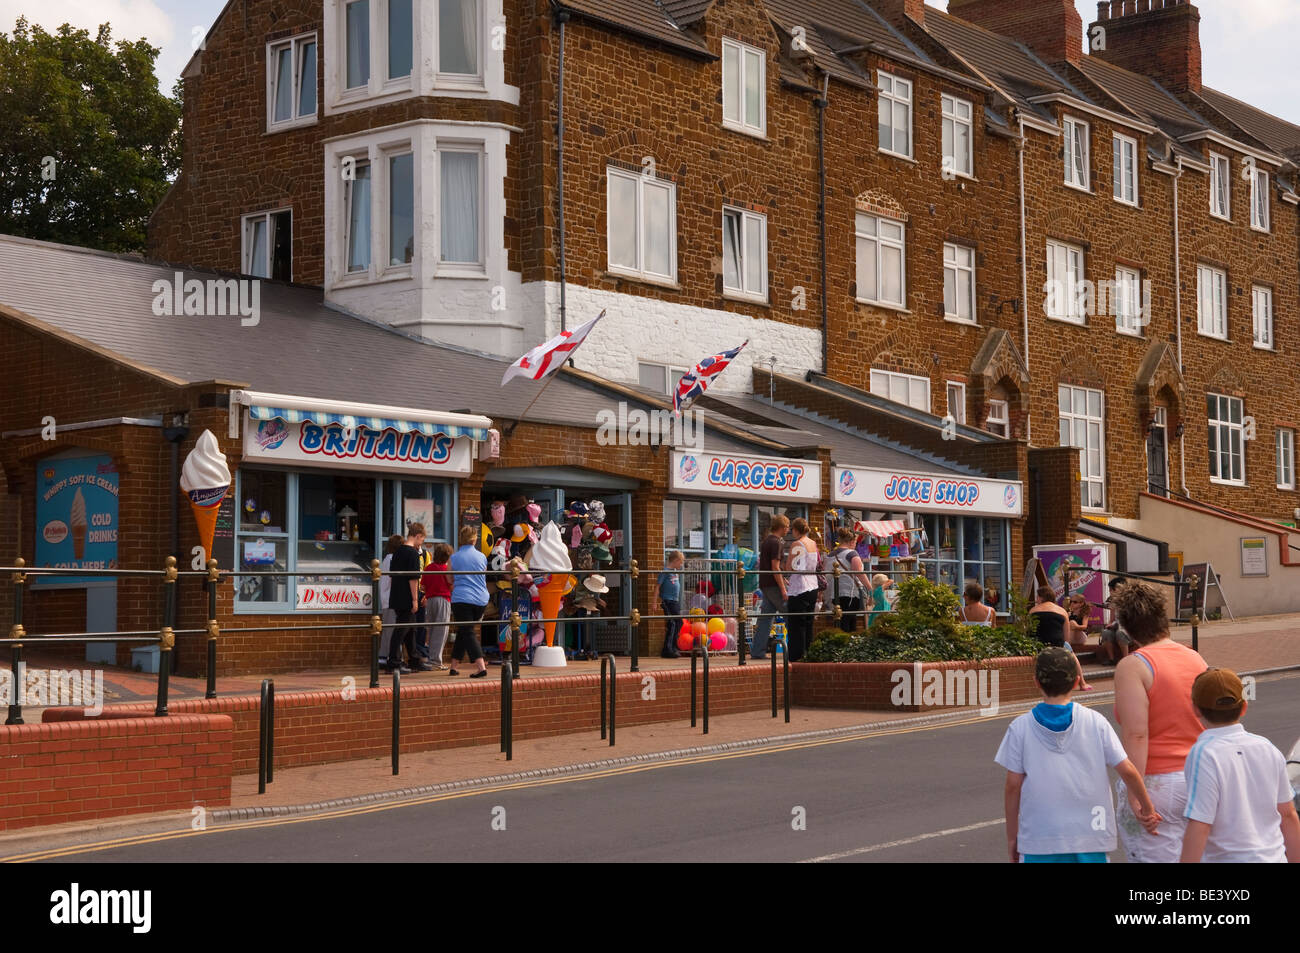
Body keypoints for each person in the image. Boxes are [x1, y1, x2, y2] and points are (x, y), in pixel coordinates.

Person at [996, 647, 1159, 863]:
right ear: (1076, 681)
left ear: (1036, 682)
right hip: (1091, 836)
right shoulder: (1095, 721)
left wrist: (1012, 838)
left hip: (1039, 839)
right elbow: (1127, 770)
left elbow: (1013, 786)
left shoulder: (1020, 728)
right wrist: (1147, 808)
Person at [1111, 580, 1208, 863]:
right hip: (1198, 777)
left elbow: (1137, 735)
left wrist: (1135, 791)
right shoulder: (1195, 658)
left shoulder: (1133, 666)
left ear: (1126, 627)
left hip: (1157, 781)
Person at [1180, 668, 1300, 863]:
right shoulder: (1266, 747)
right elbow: (1288, 814)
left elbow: (1200, 824)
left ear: (1195, 709)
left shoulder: (1204, 754)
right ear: (1244, 707)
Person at [1029, 586, 1093, 691]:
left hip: (1038, 643)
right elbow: (1066, 636)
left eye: (1037, 597)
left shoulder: (1033, 611)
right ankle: (1082, 683)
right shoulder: (1062, 611)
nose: (1036, 600)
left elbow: (1030, 630)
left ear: (1041, 598)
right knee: (1072, 656)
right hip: (1057, 642)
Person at [448, 525, 489, 678]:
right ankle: (453, 666)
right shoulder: (482, 556)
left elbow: (449, 578)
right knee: (464, 631)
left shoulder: (454, 557)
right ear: (474, 539)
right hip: (481, 600)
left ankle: (481, 667)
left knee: (467, 631)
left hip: (462, 598)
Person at [386, 524, 426, 674]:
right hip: (407, 597)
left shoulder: (397, 552)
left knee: (411, 629)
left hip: (396, 595)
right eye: (421, 539)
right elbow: (413, 579)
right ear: (417, 536)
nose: (421, 543)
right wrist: (415, 600)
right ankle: (393, 663)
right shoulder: (413, 554)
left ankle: (414, 660)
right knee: (401, 630)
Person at [751, 515, 789, 660]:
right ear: (782, 527)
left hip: (765, 583)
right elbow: (775, 567)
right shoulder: (777, 543)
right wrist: (783, 588)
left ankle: (757, 651)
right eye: (787, 527)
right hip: (773, 585)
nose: (788, 530)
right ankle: (796, 650)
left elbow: (769, 566)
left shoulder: (766, 541)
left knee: (765, 619)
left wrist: (783, 578)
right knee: (790, 614)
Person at [784, 518, 820, 662]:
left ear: (796, 530)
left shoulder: (797, 544)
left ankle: (796, 656)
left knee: (796, 623)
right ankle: (808, 652)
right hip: (813, 584)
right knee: (808, 622)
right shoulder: (813, 543)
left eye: (792, 529)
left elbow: (790, 566)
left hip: (799, 586)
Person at [419, 542, 454, 669]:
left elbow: (422, 586)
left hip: (430, 600)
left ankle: (431, 658)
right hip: (443, 600)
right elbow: (451, 586)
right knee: (441, 630)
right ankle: (436, 660)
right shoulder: (446, 570)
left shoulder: (428, 568)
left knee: (432, 629)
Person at [828, 529, 870, 631]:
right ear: (851, 541)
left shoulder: (830, 555)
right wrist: (870, 588)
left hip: (834, 593)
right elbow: (859, 573)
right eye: (855, 542)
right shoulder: (852, 554)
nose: (855, 545)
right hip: (850, 592)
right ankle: (849, 644)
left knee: (840, 620)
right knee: (850, 622)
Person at [377, 534, 403, 668]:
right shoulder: (393, 559)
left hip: (387, 598)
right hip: (391, 599)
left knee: (389, 630)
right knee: (392, 631)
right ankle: (386, 657)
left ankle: (384, 656)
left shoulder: (387, 559)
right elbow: (394, 580)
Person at [1098, 577, 1133, 665]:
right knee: (1106, 632)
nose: (1110, 592)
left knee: (1120, 632)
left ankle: (1126, 659)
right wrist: (1110, 625)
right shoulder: (1113, 602)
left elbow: (1131, 621)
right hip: (1118, 628)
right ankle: (1111, 659)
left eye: (1111, 590)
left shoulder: (1131, 601)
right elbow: (1112, 620)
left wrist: (1116, 624)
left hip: (1130, 630)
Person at [658, 550, 685, 659]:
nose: (681, 565)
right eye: (681, 562)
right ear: (676, 560)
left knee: (679, 623)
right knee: (673, 623)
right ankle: (667, 649)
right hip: (668, 601)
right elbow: (657, 586)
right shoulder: (665, 572)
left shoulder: (674, 572)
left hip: (675, 601)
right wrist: (655, 602)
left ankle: (673, 647)